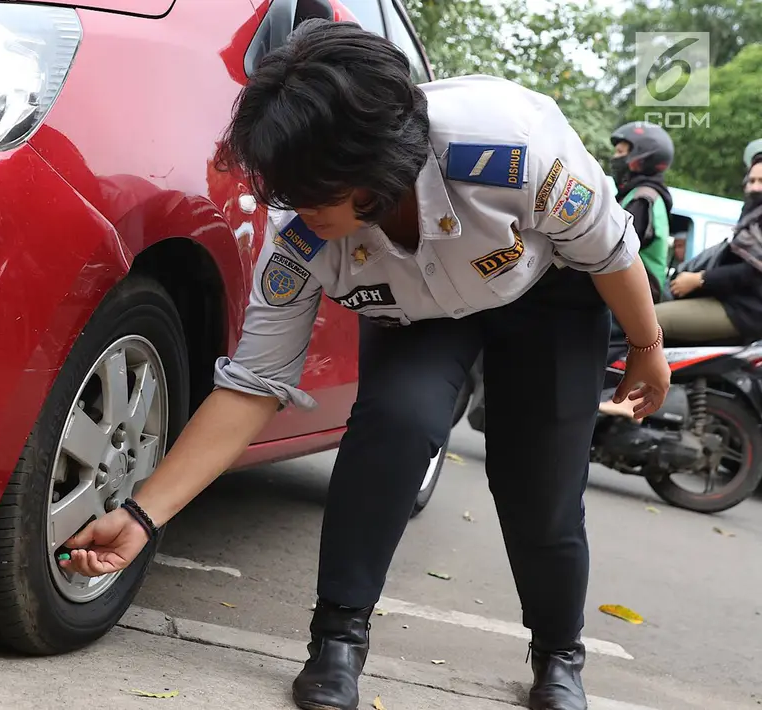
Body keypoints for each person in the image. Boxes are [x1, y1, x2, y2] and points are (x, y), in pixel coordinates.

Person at [61, 20, 669, 710]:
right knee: (394, 424)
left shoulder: (507, 149)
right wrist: (140, 517)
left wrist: (646, 351)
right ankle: (336, 641)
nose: (296, 208)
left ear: (375, 165)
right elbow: (250, 387)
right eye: (286, 190)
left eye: (315, 191)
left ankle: (559, 653)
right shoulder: (299, 235)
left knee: (539, 490)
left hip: (547, 291)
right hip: (420, 312)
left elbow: (610, 251)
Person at [652, 147, 762, 344]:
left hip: (746, 310)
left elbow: (751, 271)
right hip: (727, 299)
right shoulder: (750, 219)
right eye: (752, 181)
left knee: (651, 322)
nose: (754, 187)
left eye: (761, 182)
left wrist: (699, 279)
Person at [610, 122, 675, 302]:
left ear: (641, 158)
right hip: (630, 286)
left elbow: (614, 249)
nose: (614, 158)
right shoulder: (636, 194)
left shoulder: (643, 198)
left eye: (621, 152)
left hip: (638, 293)